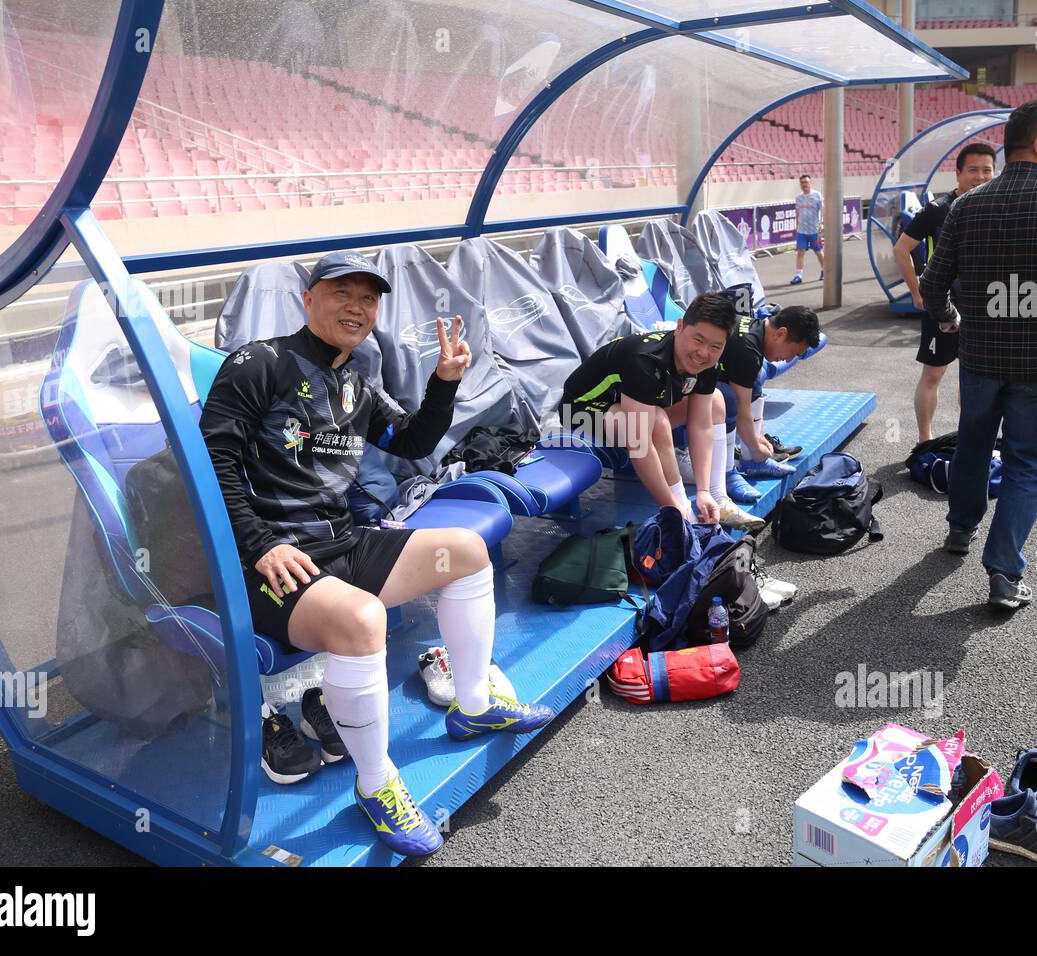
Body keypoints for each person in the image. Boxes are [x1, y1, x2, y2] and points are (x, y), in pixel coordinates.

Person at [199, 250, 554, 857]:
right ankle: (376, 783)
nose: (356, 307)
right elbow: (213, 460)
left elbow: (412, 441)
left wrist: (445, 382)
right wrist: (259, 544)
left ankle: (474, 704)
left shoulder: (357, 380)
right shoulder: (259, 363)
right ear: (308, 299)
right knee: (365, 620)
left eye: (368, 298)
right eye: (342, 292)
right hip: (267, 565)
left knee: (467, 551)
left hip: (340, 543)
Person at [920, 100, 1037, 611]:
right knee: (1029, 462)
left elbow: (933, 282)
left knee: (972, 446)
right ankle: (1004, 572)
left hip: (980, 358)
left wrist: (951, 320)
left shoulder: (967, 205)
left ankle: (960, 529)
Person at [559, 293, 760, 529]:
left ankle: (717, 497)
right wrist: (672, 506)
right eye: (698, 340)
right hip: (579, 412)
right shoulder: (645, 361)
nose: (704, 353)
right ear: (679, 327)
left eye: (715, 346)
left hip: (624, 407)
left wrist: (703, 490)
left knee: (715, 400)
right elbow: (639, 445)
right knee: (656, 421)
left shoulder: (706, 363)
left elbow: (701, 425)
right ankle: (683, 512)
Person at [892, 142, 998, 443]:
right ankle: (925, 441)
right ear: (958, 173)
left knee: (975, 378)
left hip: (985, 307)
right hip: (944, 305)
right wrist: (917, 293)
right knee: (933, 374)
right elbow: (902, 249)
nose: (980, 177)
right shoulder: (938, 209)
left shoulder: (997, 206)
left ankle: (970, 441)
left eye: (987, 170)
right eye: (973, 170)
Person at [715, 305, 823, 507]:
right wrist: (756, 447)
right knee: (728, 399)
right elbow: (741, 410)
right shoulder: (748, 350)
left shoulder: (755, 330)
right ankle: (727, 472)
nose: (789, 359)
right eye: (793, 352)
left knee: (754, 379)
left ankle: (751, 461)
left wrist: (759, 436)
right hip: (678, 387)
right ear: (781, 334)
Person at [791, 174, 824, 285]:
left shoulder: (817, 195)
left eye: (806, 182)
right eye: (802, 183)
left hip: (814, 231)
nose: (804, 184)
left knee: (818, 252)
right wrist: (797, 226)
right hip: (801, 231)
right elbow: (797, 212)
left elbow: (823, 211)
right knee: (800, 252)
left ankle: (825, 270)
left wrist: (822, 226)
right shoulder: (798, 198)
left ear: (810, 183)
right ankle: (798, 275)